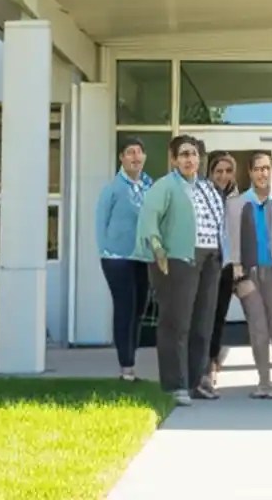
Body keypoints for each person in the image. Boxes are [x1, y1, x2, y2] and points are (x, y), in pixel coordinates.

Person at [136, 135, 228, 406]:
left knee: (203, 323)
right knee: (176, 323)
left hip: (210, 259)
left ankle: (196, 381)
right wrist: (156, 246)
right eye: (184, 154)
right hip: (178, 259)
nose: (190, 159)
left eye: (194, 154)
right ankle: (175, 385)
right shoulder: (165, 186)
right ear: (174, 159)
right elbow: (149, 218)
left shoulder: (207, 188)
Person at [225, 150, 272, 399]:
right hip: (249, 274)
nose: (263, 173)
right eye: (258, 169)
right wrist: (239, 277)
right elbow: (231, 242)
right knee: (258, 328)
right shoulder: (237, 204)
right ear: (250, 172)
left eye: (267, 168)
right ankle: (263, 381)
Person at [95, 137, 154, 381]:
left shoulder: (150, 186)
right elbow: (101, 223)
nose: (135, 157)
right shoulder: (113, 188)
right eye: (130, 152)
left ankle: (132, 363)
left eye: (139, 153)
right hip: (117, 259)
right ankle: (125, 368)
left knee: (139, 309)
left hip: (143, 257)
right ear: (121, 157)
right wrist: (106, 250)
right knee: (125, 308)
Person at [203, 150, 238, 393]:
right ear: (210, 173)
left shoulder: (239, 200)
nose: (223, 176)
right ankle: (204, 365)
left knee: (219, 317)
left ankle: (213, 360)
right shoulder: (202, 196)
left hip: (228, 267)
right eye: (218, 171)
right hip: (206, 264)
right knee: (204, 316)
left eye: (227, 171)